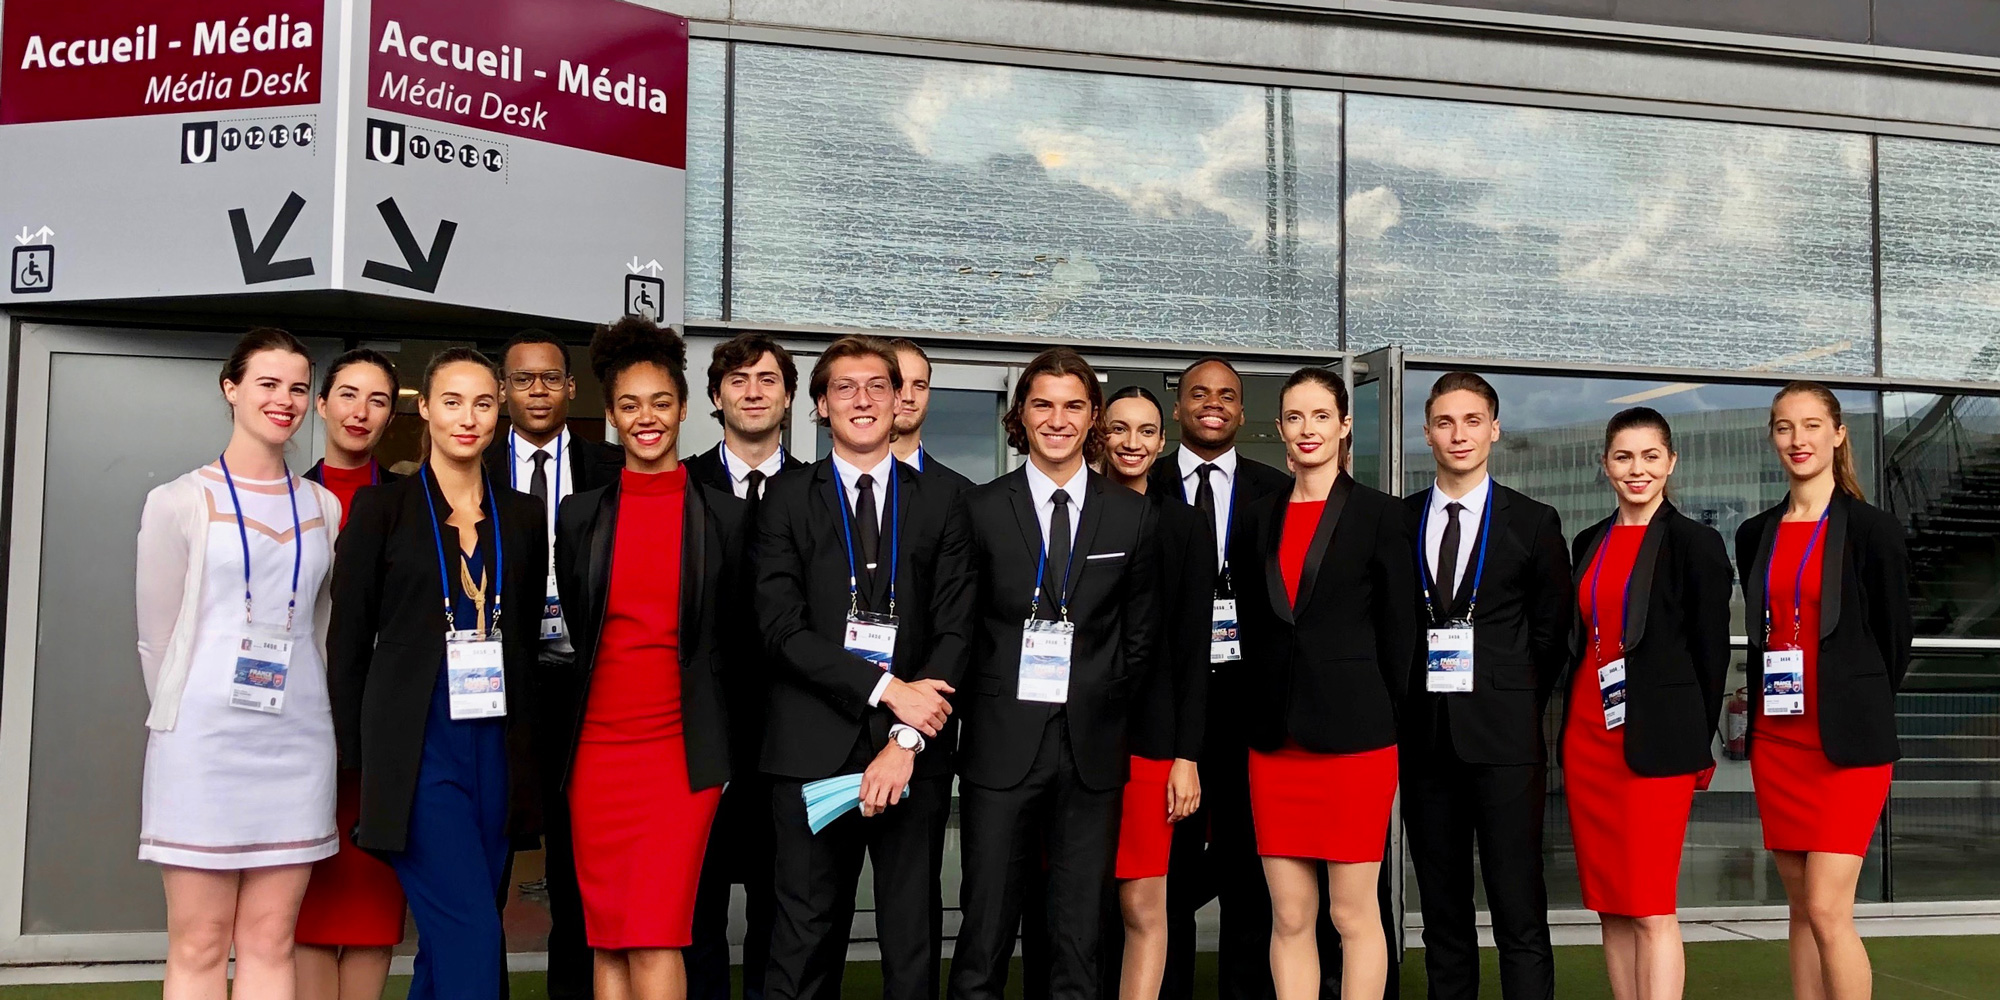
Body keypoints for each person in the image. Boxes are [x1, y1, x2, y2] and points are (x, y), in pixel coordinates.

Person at [755, 335, 975, 1000]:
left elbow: (956, 628)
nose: (863, 399)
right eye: (844, 387)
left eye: (878, 385)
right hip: (809, 750)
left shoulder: (942, 500)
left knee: (911, 937)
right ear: (820, 405)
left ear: (900, 399)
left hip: (914, 757)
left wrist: (906, 737)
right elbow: (780, 628)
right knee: (803, 936)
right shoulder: (786, 499)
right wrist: (887, 690)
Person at [329, 347, 546, 1000]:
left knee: (450, 947)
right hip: (417, 751)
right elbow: (347, 647)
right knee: (474, 934)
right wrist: (359, 763)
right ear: (424, 409)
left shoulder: (524, 517)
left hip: (498, 747)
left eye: (483, 403)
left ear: (499, 411)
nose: (468, 418)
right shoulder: (381, 511)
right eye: (451, 402)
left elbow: (525, 645)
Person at [137, 327, 342, 1000]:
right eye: (267, 383)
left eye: (297, 388)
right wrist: (191, 722)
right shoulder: (178, 501)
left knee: (270, 941)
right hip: (202, 749)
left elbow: (319, 632)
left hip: (298, 744)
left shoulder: (324, 506)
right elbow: (156, 641)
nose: (284, 400)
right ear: (230, 388)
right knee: (198, 944)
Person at [547, 317, 748, 1000]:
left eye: (661, 402)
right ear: (609, 415)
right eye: (629, 405)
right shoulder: (579, 517)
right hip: (597, 753)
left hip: (680, 757)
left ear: (686, 408)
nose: (647, 418)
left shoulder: (725, 518)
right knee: (607, 937)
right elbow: (584, 622)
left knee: (658, 932)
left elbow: (733, 644)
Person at [948, 347, 1158, 1000]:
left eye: (1073, 405)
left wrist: (1099, 694)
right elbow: (961, 627)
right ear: (1020, 415)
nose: (1058, 419)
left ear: (1093, 416)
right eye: (1043, 403)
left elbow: (1139, 637)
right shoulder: (980, 509)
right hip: (999, 746)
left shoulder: (1131, 515)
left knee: (1078, 939)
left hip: (1090, 752)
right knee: (983, 934)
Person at [1233, 368, 1413, 1000]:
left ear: (1344, 426)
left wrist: (1385, 719)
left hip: (1356, 742)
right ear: (1279, 428)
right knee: (1288, 915)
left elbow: (1400, 636)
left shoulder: (1382, 516)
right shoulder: (1255, 519)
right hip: (1273, 741)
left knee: (1351, 914)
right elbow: (1251, 628)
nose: (1306, 430)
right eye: (1293, 417)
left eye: (1319, 417)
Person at [1736, 382, 1911, 1000]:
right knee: (1801, 911)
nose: (1798, 439)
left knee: (1828, 909)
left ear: (1837, 435)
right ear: (1773, 437)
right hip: (1779, 742)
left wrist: (1852, 700)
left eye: (1812, 425)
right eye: (1784, 427)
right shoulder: (1755, 533)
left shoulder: (1873, 530)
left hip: (1848, 746)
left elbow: (1895, 643)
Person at [1401, 371, 1569, 1000]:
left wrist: (1511, 697)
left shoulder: (1532, 521)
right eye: (1445, 421)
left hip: (1503, 743)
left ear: (1494, 429)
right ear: (1426, 432)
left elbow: (1552, 635)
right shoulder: (1400, 520)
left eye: (1472, 420)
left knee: (1517, 908)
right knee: (1443, 914)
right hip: (1425, 743)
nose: (1459, 434)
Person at [1562, 407, 1732, 1000]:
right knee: (1609, 903)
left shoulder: (1695, 544)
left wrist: (1700, 745)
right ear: (1605, 464)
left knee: (1651, 904)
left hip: (1656, 744)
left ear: (1671, 462)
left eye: (1650, 457)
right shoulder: (1587, 541)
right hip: (1589, 737)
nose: (1637, 470)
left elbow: (1713, 657)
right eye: (1624, 457)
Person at [1145, 357, 1294, 1000]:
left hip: (1248, 706)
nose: (1213, 404)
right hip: (1165, 704)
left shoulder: (1277, 489)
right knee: (1166, 874)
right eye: (1199, 394)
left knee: (1249, 871)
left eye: (1227, 396)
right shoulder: (1139, 482)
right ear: (1177, 407)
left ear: (1242, 411)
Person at [484, 329, 622, 1000]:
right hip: (495, 686)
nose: (536, 390)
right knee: (490, 860)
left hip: (586, 687)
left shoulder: (615, 469)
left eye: (549, 379)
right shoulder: (471, 467)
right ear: (503, 391)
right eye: (521, 379)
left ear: (571, 389)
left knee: (576, 867)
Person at [681, 332, 804, 1000]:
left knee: (780, 903)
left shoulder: (818, 489)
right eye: (737, 380)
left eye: (766, 380)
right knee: (695, 904)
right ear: (717, 396)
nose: (752, 391)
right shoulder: (682, 485)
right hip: (700, 729)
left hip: (792, 731)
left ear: (788, 397)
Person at [298, 349, 408, 1000]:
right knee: (307, 897)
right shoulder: (285, 496)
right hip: (301, 723)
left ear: (392, 415)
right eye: (347, 394)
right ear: (321, 404)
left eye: (376, 400)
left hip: (383, 724)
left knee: (371, 891)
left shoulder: (409, 502)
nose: (359, 411)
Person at [1098, 386, 1213, 1000]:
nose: (1132, 443)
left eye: (1145, 431)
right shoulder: (1071, 509)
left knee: (1148, 903)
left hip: (1153, 739)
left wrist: (1186, 755)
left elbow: (1194, 649)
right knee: (1079, 907)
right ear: (1100, 435)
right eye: (1119, 429)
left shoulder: (1184, 524)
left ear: (1162, 441)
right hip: (1077, 737)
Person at [887, 338, 974, 487]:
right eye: (897, 384)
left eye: (919, 386)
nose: (908, 397)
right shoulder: (843, 479)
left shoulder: (960, 493)